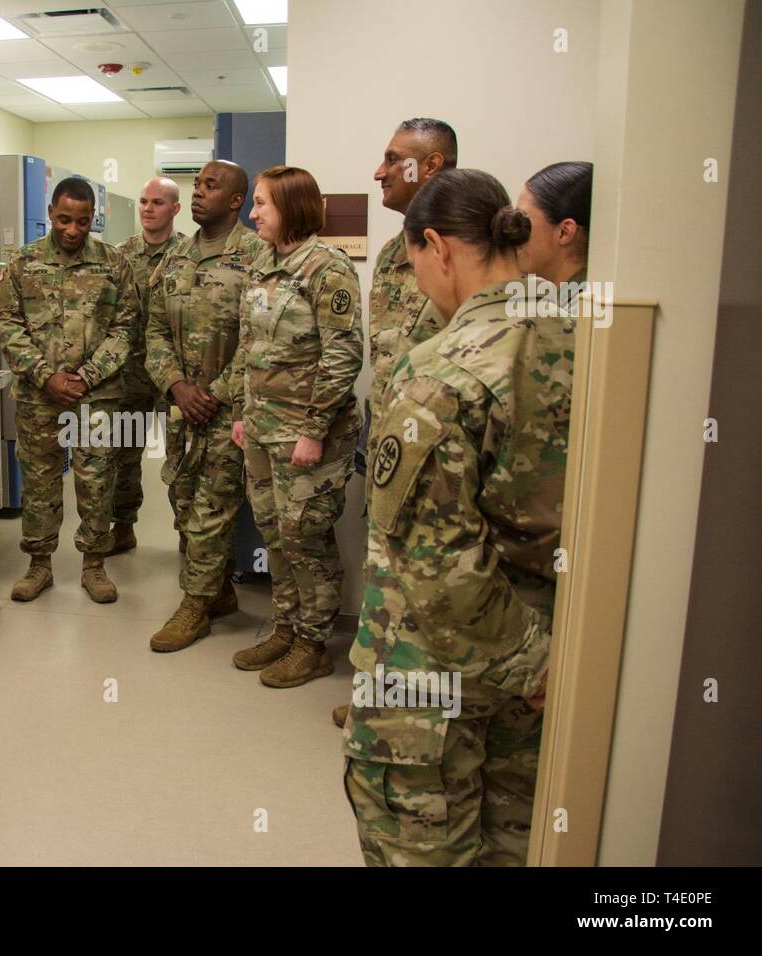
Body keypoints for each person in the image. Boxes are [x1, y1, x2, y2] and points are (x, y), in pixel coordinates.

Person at [342, 168, 573, 866]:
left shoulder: (438, 372)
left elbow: (435, 561)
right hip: (546, 654)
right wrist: (543, 664)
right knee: (515, 843)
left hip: (432, 678)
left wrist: (527, 665)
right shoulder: (581, 337)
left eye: (415, 266)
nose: (418, 286)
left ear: (437, 247)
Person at [334, 117, 456, 727]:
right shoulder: (391, 251)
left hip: (439, 452)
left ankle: (422, 707)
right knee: (386, 569)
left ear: (429, 166)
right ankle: (377, 688)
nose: (378, 172)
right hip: (385, 439)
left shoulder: (465, 248)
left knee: (431, 579)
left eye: (391, 159)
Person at [226, 166, 363, 687]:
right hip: (261, 427)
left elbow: (343, 355)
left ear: (292, 207)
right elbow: (249, 348)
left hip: (307, 434)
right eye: (254, 203)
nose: (252, 212)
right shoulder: (263, 262)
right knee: (273, 532)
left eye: (261, 204)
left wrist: (314, 429)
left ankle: (314, 643)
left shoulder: (327, 268)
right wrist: (242, 413)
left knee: (306, 536)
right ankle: (285, 626)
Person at [0, 177, 137, 605]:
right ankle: (39, 565)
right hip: (40, 396)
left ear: (92, 217)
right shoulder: (22, 263)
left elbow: (127, 326)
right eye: (62, 219)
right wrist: (44, 375)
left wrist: (89, 376)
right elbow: (6, 322)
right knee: (39, 482)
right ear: (50, 212)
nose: (72, 230)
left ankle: (94, 565)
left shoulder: (114, 263)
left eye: (82, 221)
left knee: (96, 482)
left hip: (96, 397)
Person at [144, 160, 262, 651]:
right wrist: (175, 385)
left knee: (211, 509)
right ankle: (221, 592)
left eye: (211, 186)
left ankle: (194, 605)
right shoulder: (175, 258)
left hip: (228, 413)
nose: (199, 193)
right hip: (181, 410)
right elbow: (152, 332)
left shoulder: (257, 256)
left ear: (236, 201)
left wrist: (215, 392)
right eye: (197, 185)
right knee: (181, 500)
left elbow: (261, 338)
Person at [111, 176, 186, 556]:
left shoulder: (189, 255)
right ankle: (123, 527)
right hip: (130, 377)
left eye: (157, 202)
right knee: (124, 456)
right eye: (143, 201)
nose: (147, 209)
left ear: (175, 208)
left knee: (180, 458)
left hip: (172, 378)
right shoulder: (120, 255)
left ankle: (188, 540)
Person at [515, 161, 593, 303]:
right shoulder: (561, 303)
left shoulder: (579, 313)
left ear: (564, 232)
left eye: (523, 220)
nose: (513, 231)